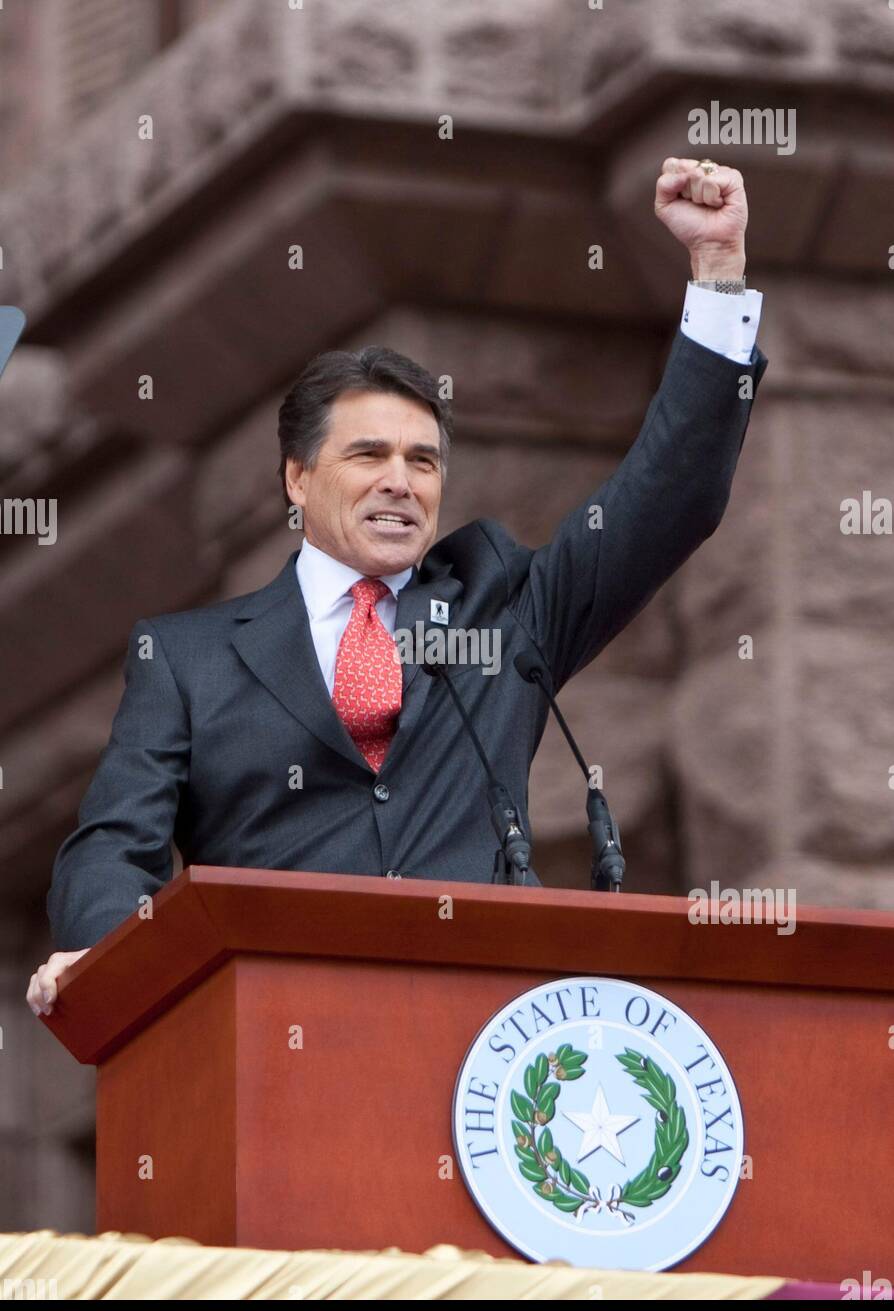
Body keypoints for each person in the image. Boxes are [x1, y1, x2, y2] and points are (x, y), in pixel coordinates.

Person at [28, 157, 767, 1016]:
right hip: (276, 1036)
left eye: (423, 461)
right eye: (368, 455)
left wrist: (718, 274)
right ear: (297, 481)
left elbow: (664, 501)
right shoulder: (188, 658)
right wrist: (107, 953)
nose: (400, 481)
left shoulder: (503, 609)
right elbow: (116, 843)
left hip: (480, 1044)